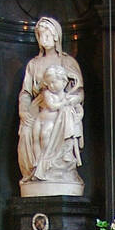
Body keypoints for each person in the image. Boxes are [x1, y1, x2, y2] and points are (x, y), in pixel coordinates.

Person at [17, 16, 85, 193]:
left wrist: (69, 101)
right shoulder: (34, 64)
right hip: (40, 108)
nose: (43, 39)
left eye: (46, 34)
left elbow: (78, 92)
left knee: (56, 126)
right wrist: (24, 111)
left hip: (61, 110)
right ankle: (37, 169)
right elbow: (26, 92)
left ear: (56, 36)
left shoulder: (68, 62)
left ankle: (57, 169)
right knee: (28, 131)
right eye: (39, 35)